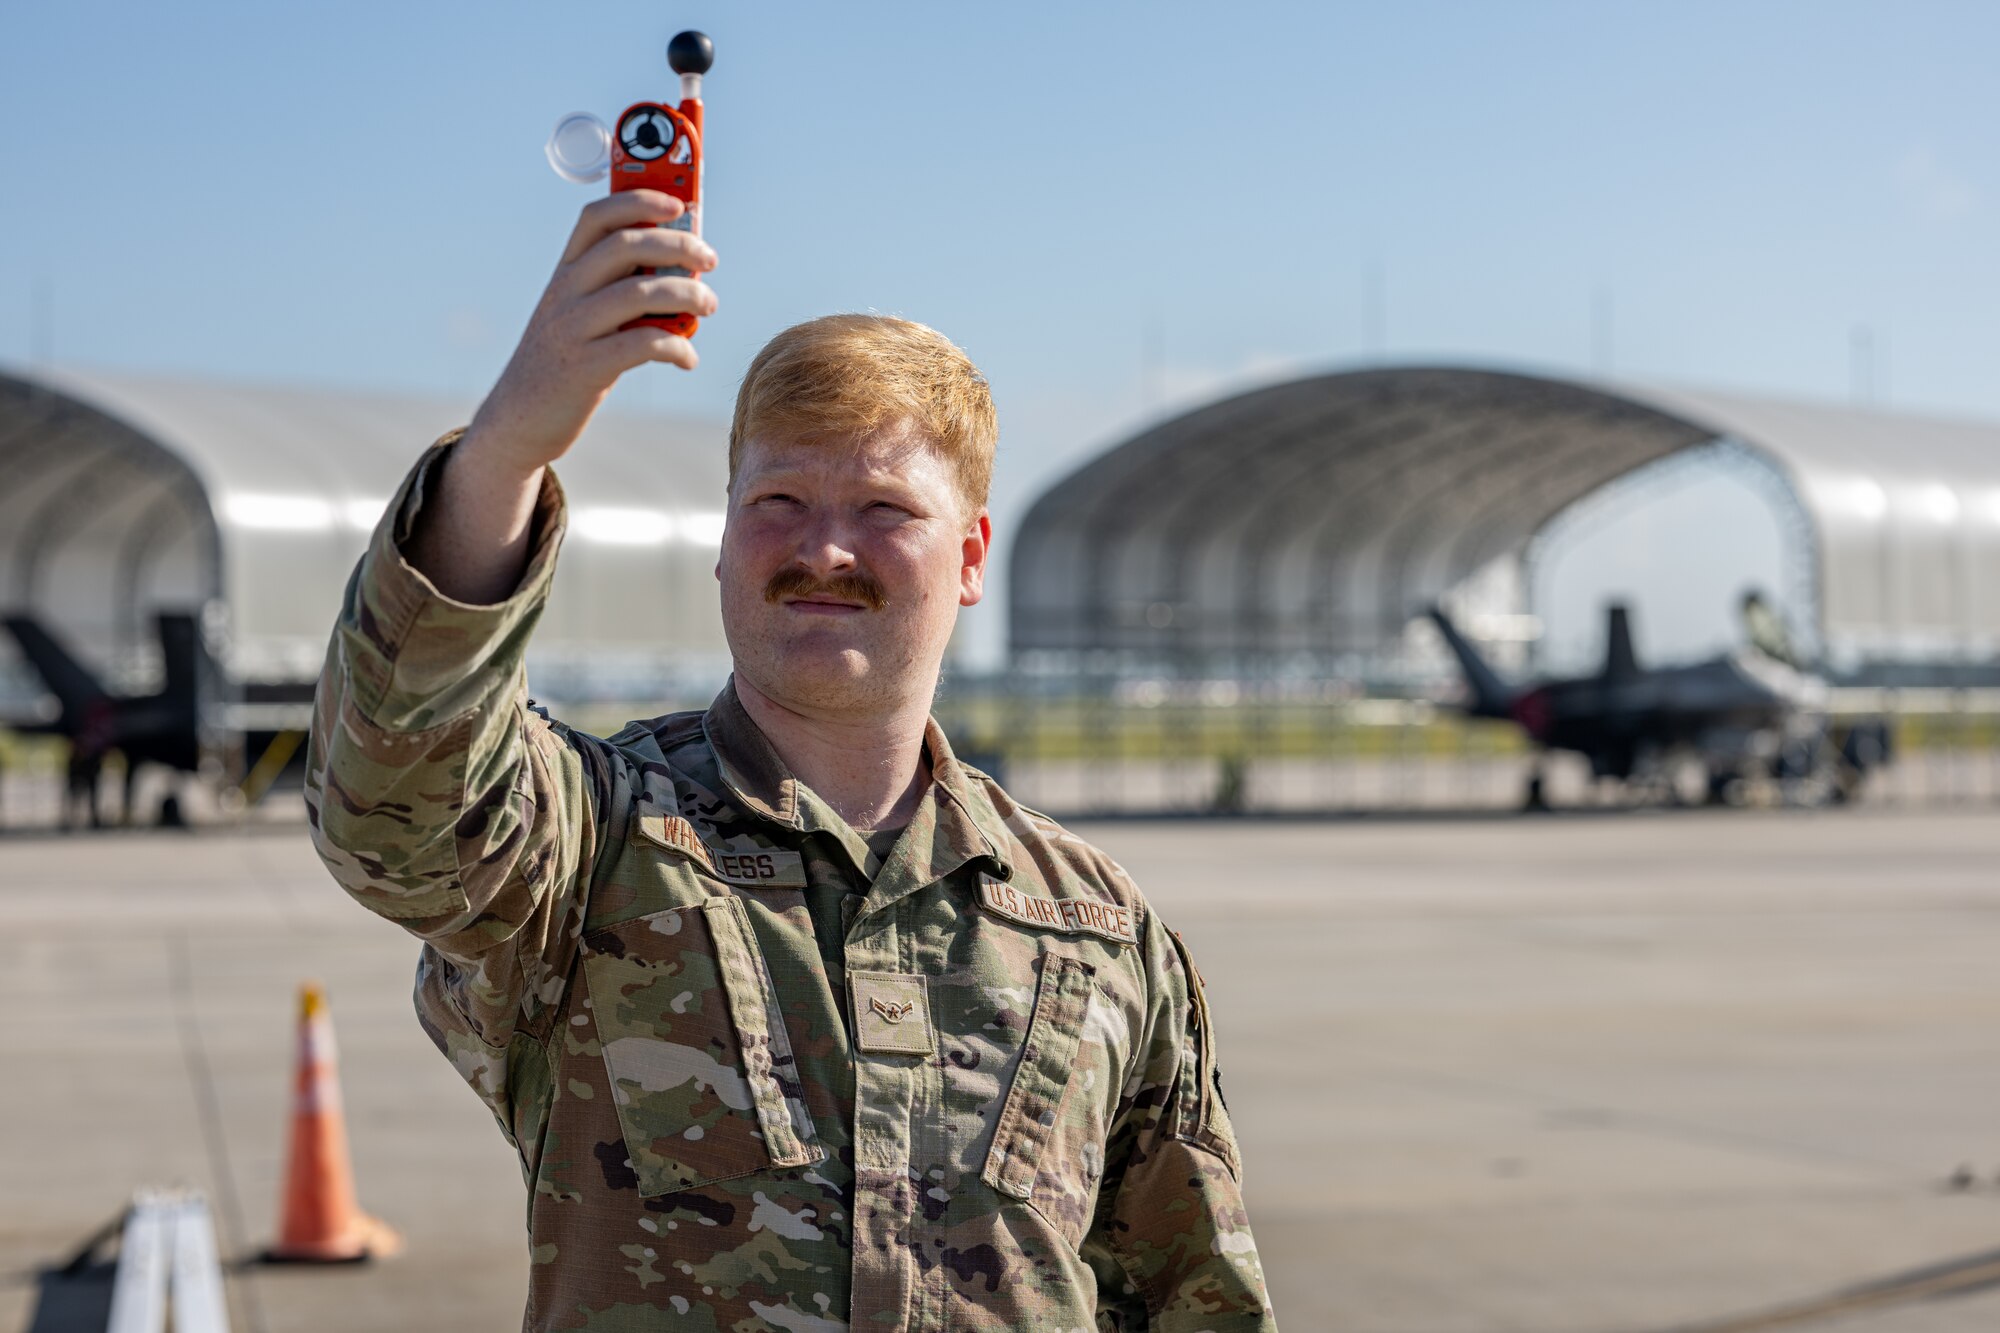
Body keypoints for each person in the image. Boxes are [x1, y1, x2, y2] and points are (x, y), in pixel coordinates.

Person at [306, 189, 1275, 1330]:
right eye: (777, 499)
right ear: (722, 539)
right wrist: (508, 446)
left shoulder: (1094, 932)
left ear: (967, 557)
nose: (822, 546)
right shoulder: (592, 847)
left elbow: (1190, 1298)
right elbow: (394, 815)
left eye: (881, 507)